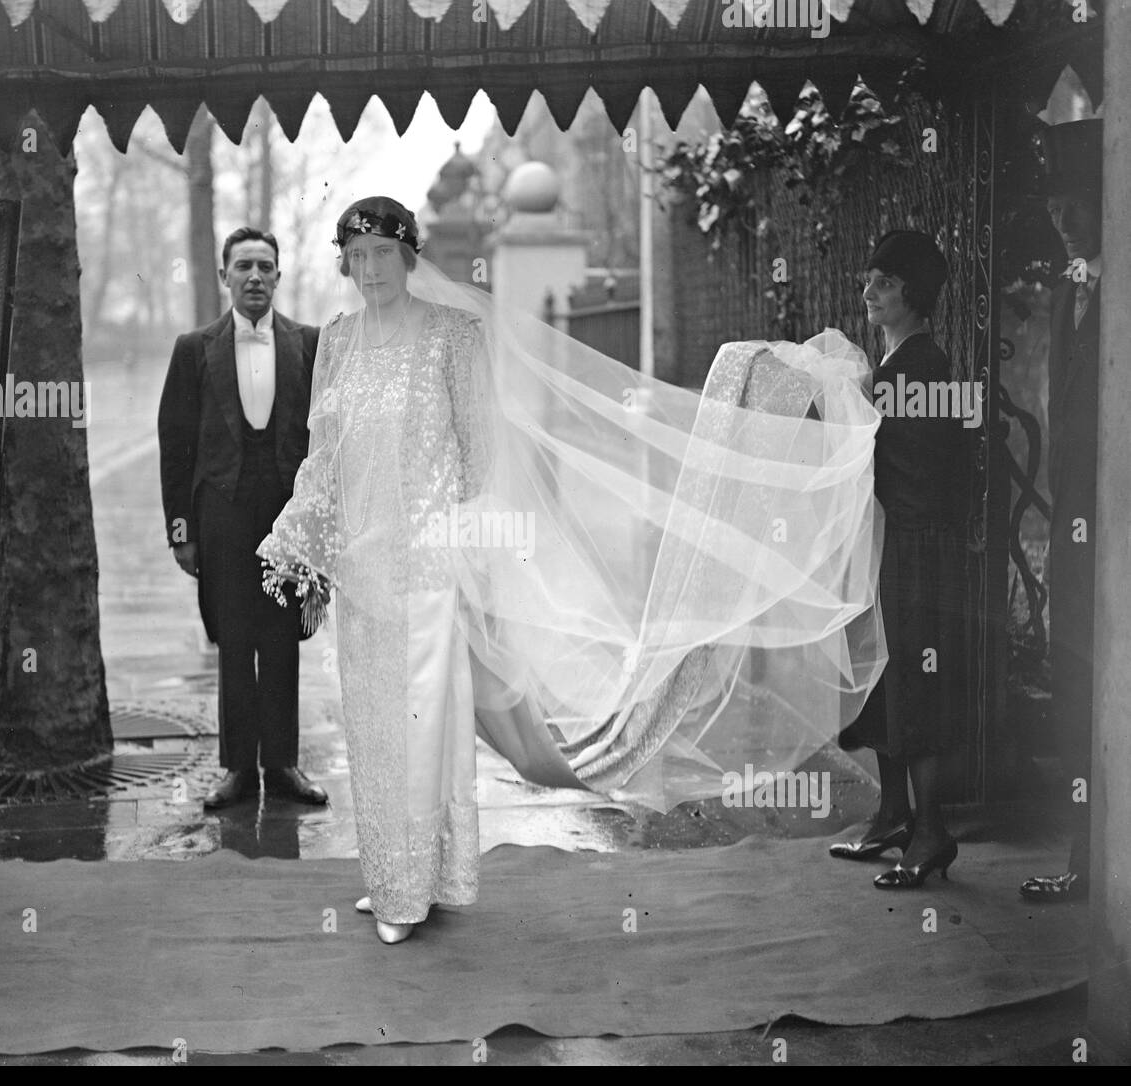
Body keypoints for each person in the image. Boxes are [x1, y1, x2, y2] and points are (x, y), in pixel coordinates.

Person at [260, 196, 887, 944]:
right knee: (374, 733)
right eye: (356, 256)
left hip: (430, 573)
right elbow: (322, 457)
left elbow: (479, 454)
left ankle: (411, 894)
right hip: (363, 576)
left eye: (382, 254)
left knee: (424, 731)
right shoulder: (335, 343)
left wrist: (465, 550)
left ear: (410, 256)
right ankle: (393, 878)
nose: (370, 271)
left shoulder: (453, 336)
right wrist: (296, 543)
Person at [158, 227, 328, 810]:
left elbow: (326, 439)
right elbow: (175, 443)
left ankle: (281, 764)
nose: (255, 276)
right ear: (225, 275)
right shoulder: (193, 348)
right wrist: (181, 533)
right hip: (222, 516)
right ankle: (237, 770)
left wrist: (320, 529)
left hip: (288, 518)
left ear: (279, 276)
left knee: (282, 638)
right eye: (244, 266)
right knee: (233, 639)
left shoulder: (309, 344)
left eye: (265, 266)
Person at [828, 230, 972, 888]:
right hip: (892, 545)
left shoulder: (921, 369)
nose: (868, 292)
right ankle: (892, 815)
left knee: (916, 683)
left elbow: (917, 476)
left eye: (884, 283)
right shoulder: (892, 370)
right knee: (885, 680)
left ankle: (931, 830)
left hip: (912, 551)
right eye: (869, 279)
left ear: (914, 293)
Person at [1020, 119, 1103, 903]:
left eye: (1077, 203)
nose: (1065, 220)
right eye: (1054, 208)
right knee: (1077, 680)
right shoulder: (1070, 292)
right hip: (1080, 528)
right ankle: (1086, 855)